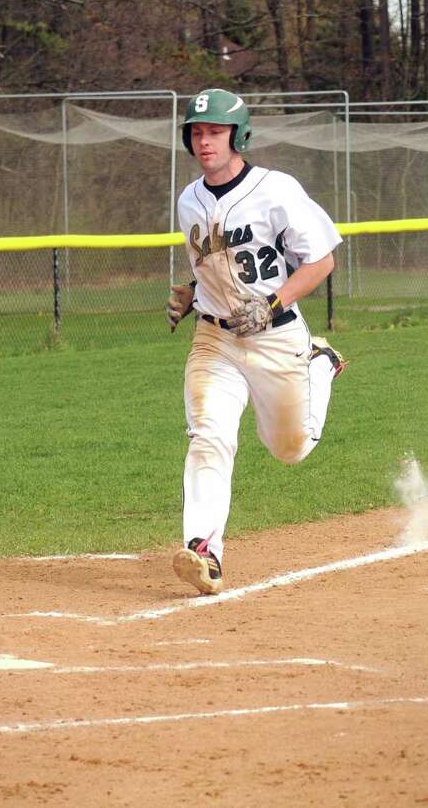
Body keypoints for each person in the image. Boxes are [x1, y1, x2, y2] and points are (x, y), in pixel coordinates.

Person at [164, 88, 347, 596]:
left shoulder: (276, 189)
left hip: (276, 338)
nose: (206, 142)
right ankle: (205, 549)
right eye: (197, 132)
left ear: (238, 136)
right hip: (214, 341)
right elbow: (212, 267)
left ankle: (320, 364)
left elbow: (322, 260)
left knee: (289, 449)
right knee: (209, 435)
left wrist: (273, 303)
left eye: (216, 132)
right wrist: (193, 293)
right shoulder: (189, 200)